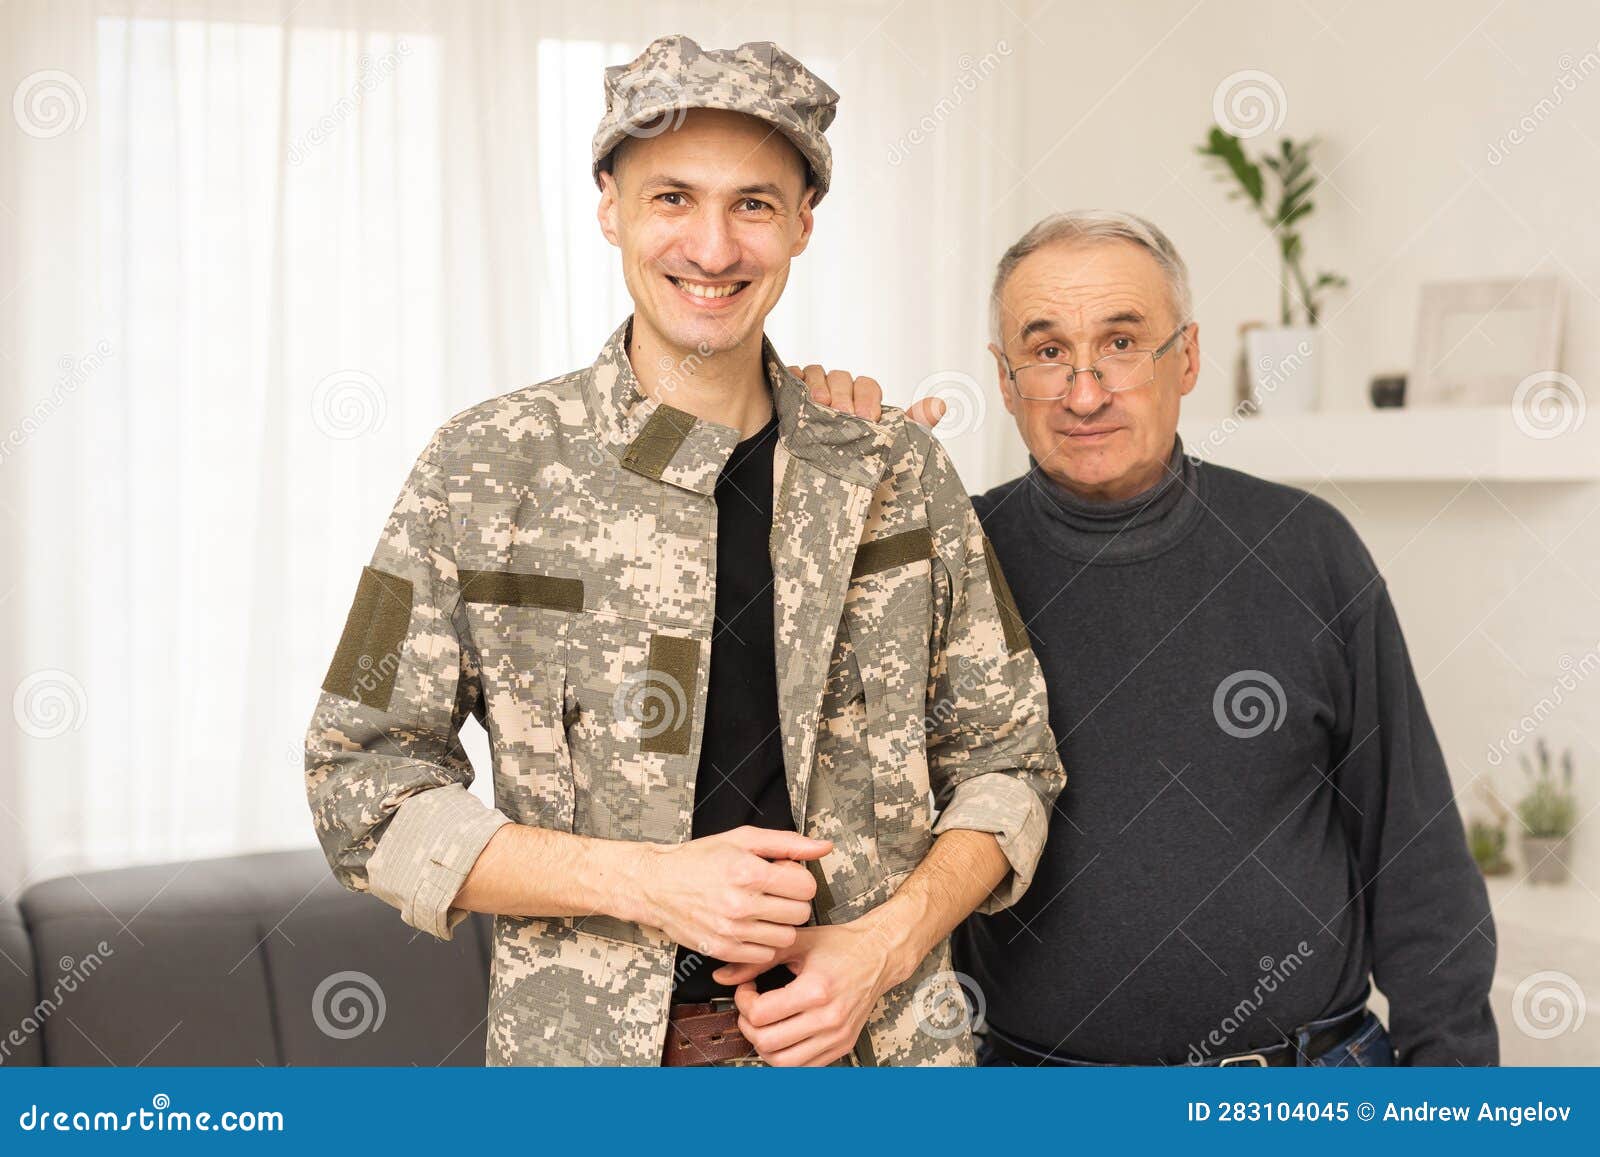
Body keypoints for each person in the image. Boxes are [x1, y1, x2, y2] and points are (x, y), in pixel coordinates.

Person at [303, 35, 1063, 1068]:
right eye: (672, 198)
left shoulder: (893, 472)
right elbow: (361, 783)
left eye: (753, 203)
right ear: (608, 203)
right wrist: (646, 880)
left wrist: (882, 949)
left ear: (802, 222)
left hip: (881, 1063)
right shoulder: (482, 468)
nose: (712, 248)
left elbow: (1009, 761)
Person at [807, 209, 1497, 1066]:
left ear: (1189, 358)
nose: (1085, 391)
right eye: (1048, 350)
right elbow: (826, 801)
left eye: (1124, 343)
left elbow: (1413, 844)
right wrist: (829, 494)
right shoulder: (945, 562)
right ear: (1006, 375)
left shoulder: (1306, 547)